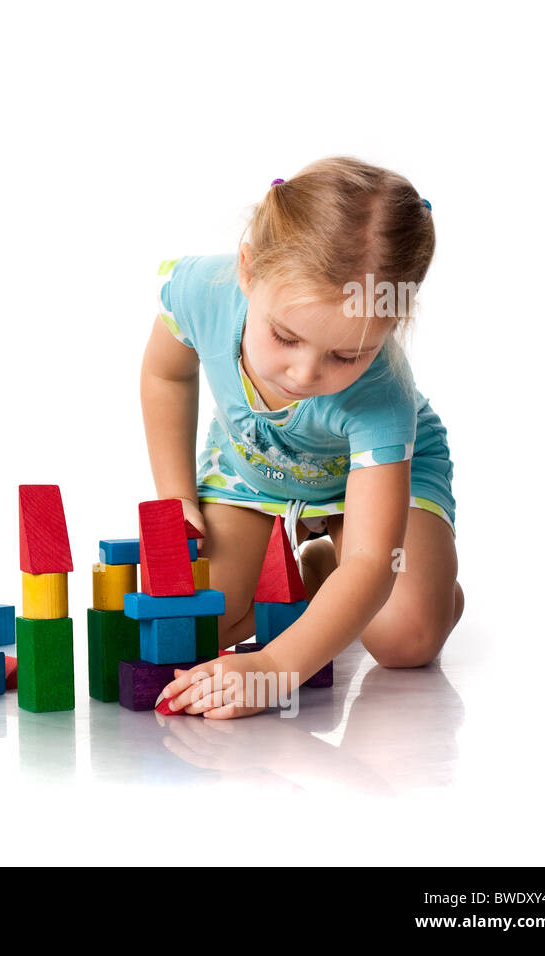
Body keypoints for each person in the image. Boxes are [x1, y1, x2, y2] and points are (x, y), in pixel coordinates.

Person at [141, 156, 463, 719]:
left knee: (405, 636)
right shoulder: (202, 290)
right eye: (285, 336)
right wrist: (176, 494)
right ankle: (311, 578)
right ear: (247, 269)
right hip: (253, 468)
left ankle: (415, 582)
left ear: (392, 322)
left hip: (375, 477)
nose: (306, 374)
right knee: (199, 624)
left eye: (347, 354)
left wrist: (273, 669)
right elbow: (166, 374)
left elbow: (368, 561)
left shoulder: (382, 397)